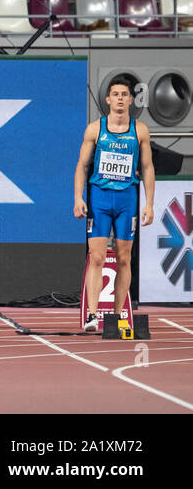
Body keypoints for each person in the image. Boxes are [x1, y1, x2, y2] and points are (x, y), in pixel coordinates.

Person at [73, 78, 155, 332]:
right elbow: (82, 166)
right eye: (115, 94)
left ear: (131, 100)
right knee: (96, 257)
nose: (120, 98)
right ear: (107, 100)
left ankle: (119, 316)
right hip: (99, 198)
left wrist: (149, 203)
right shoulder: (94, 129)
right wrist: (78, 198)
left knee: (123, 258)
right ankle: (93, 315)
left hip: (127, 200)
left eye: (124, 95)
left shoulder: (139, 130)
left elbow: (148, 167)